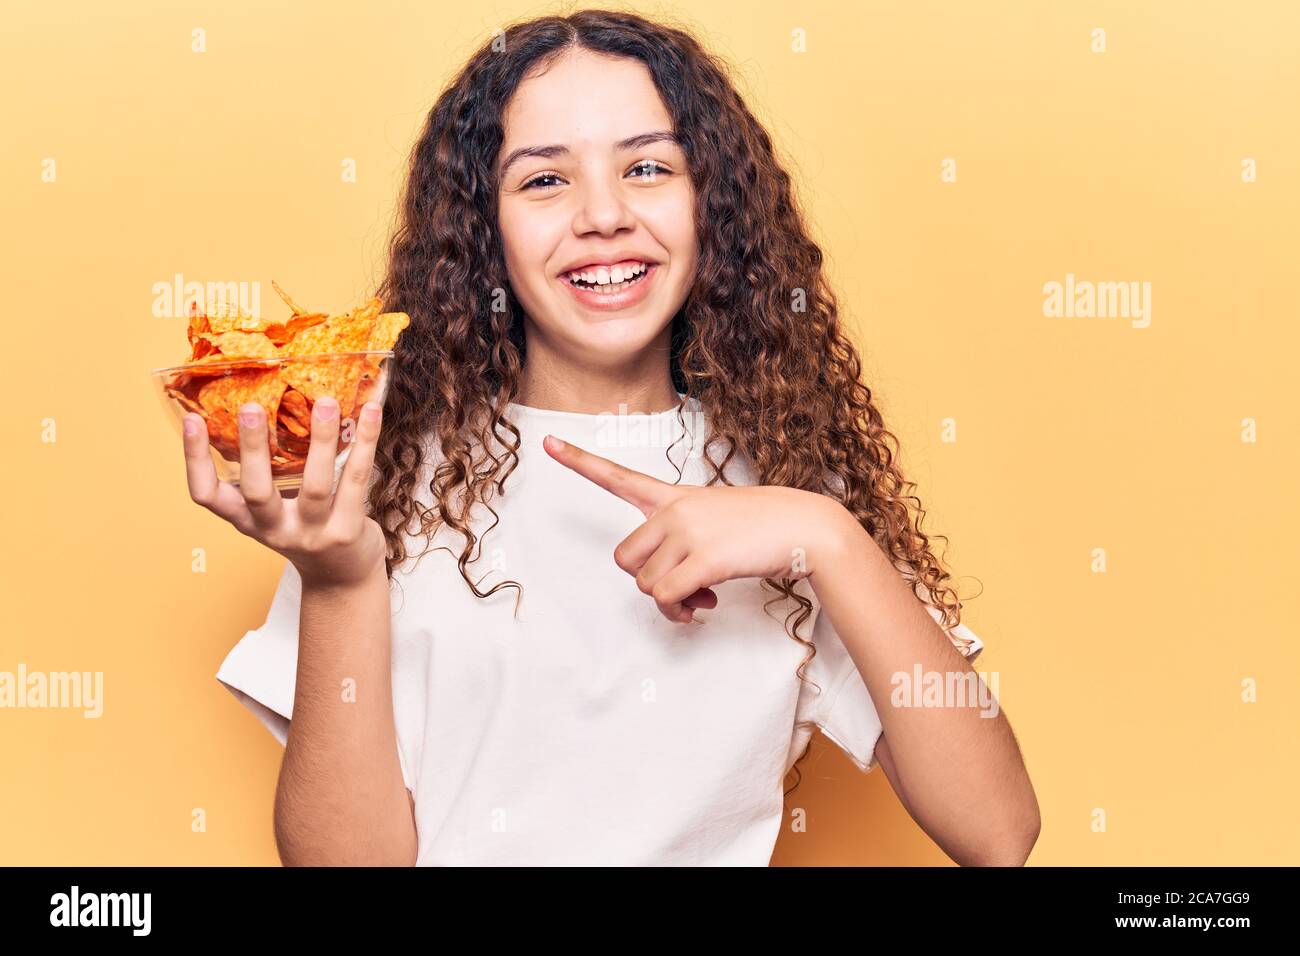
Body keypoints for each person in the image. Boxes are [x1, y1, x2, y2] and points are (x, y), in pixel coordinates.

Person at [186, 9, 1039, 866]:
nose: (603, 215)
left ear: (713, 202)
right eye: (544, 181)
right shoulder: (381, 487)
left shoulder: (783, 491)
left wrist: (827, 535)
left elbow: (997, 832)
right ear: (486, 233)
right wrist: (338, 585)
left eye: (647, 167)